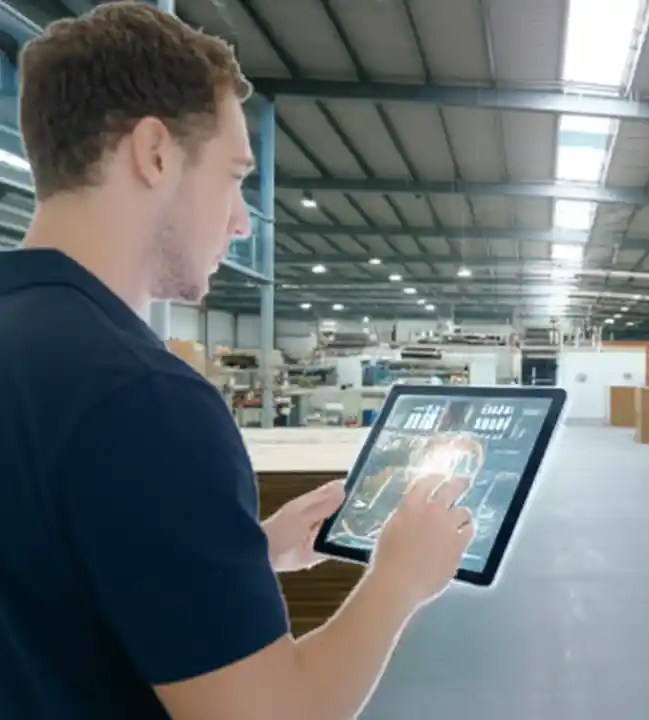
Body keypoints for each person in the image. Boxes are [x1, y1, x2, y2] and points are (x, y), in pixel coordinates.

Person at [0, 4, 474, 718]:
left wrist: (245, 554)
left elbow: (44, 572)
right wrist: (398, 581)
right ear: (155, 153)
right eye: (233, 175)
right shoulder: (146, 398)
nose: (241, 219)